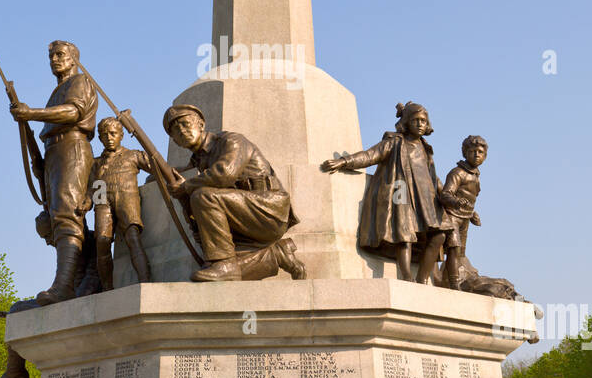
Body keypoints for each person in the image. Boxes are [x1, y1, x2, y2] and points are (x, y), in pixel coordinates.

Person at [0, 39, 97, 378]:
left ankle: (63, 285)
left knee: (66, 212)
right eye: (50, 56)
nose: (54, 60)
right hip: (54, 151)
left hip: (72, 147)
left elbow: (74, 113)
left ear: (75, 59)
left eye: (60, 55)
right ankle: (61, 281)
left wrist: (31, 115)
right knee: (49, 218)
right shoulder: (56, 89)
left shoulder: (79, 83)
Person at [164, 104, 305, 282]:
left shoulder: (231, 141)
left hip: (267, 208)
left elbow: (224, 174)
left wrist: (186, 187)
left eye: (185, 124)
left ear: (201, 125)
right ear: (175, 141)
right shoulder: (199, 159)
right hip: (243, 218)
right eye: (176, 130)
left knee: (203, 196)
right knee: (209, 266)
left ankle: (226, 265)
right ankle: (277, 255)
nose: (182, 131)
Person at [321, 101, 457, 283]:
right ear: (407, 121)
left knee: (440, 235)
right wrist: (344, 161)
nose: (419, 124)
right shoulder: (395, 142)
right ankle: (407, 278)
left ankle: (422, 278)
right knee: (404, 235)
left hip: (426, 199)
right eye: (415, 120)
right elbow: (371, 155)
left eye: (423, 121)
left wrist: (449, 197)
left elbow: (433, 178)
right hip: (402, 193)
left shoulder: (426, 149)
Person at [86, 117, 151, 289]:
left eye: (113, 134)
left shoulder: (133, 155)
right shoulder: (96, 163)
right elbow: (91, 187)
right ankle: (107, 289)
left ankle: (145, 281)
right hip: (102, 200)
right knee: (102, 241)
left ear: (121, 135)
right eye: (104, 135)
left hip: (126, 198)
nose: (109, 137)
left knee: (132, 237)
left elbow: (156, 166)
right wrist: (86, 200)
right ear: (100, 138)